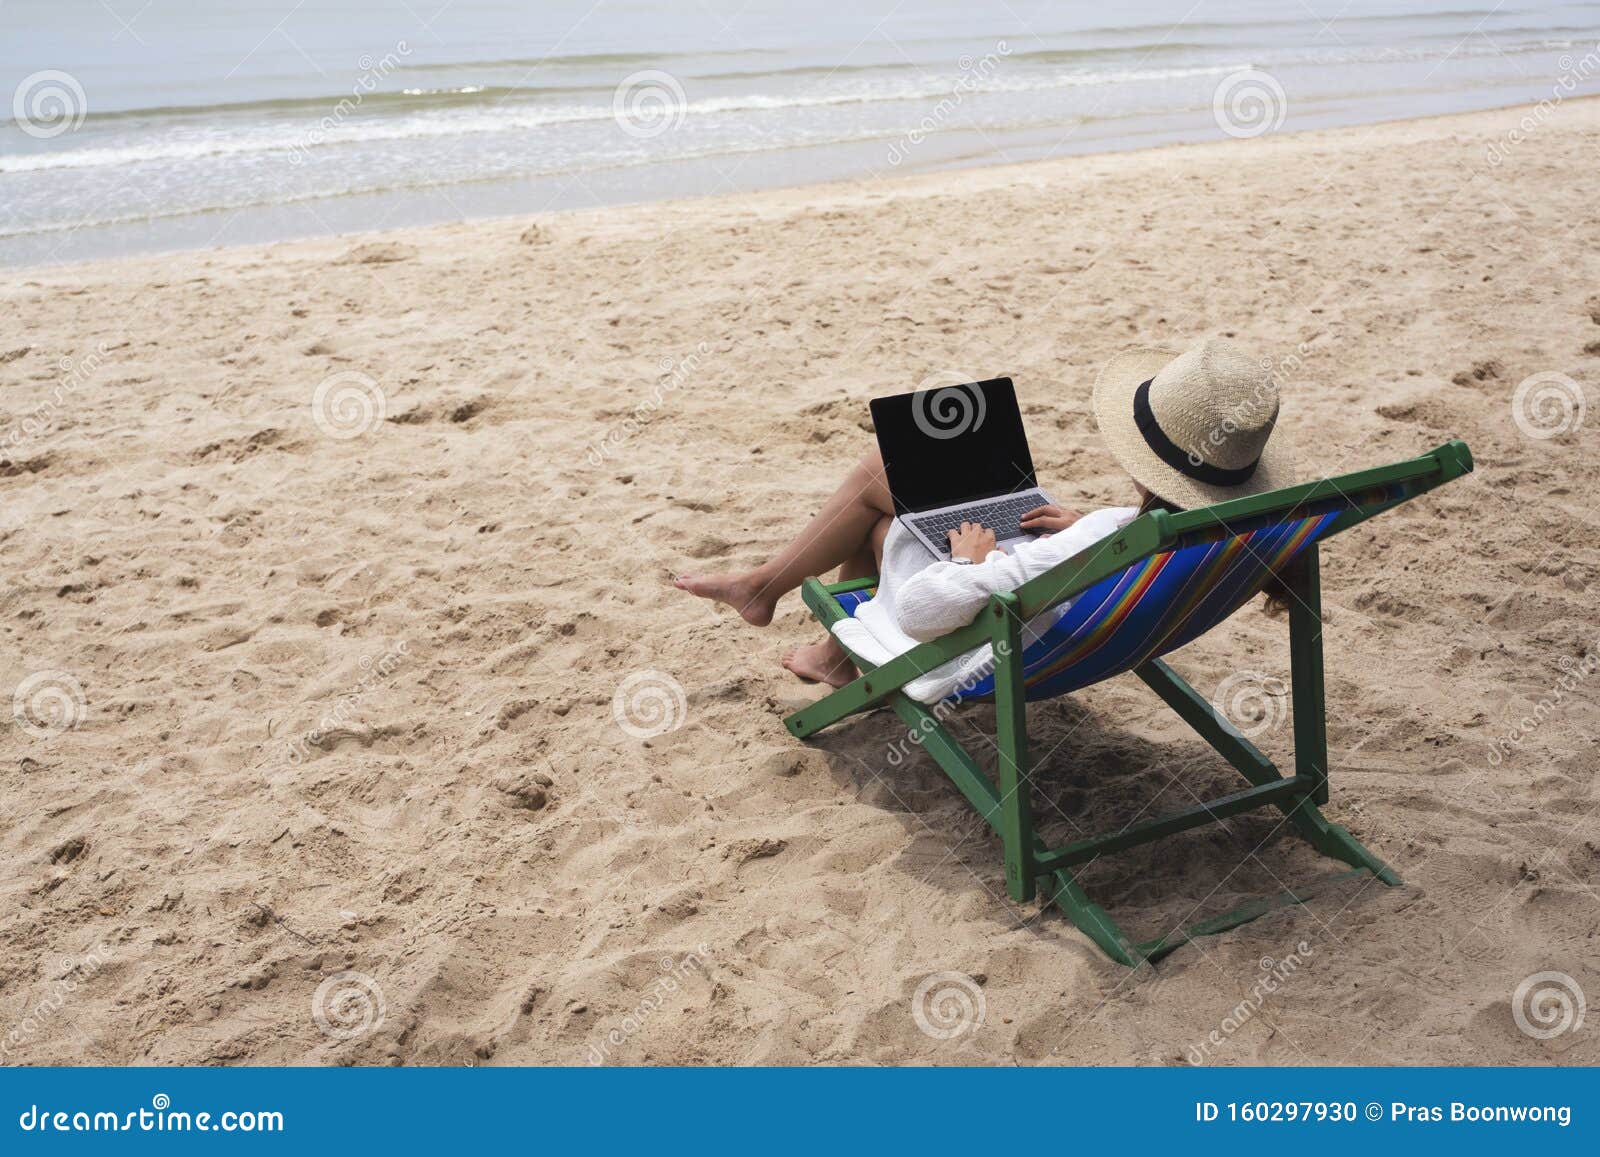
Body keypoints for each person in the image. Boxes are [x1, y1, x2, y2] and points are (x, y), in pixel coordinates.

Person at [676, 337, 1294, 693]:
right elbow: (1105, 550)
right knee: (898, 503)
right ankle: (828, 653)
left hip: (990, 639)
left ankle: (769, 594)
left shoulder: (1115, 533)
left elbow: (923, 613)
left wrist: (974, 561)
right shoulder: (1244, 530)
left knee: (882, 486)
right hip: (1062, 601)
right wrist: (1089, 527)